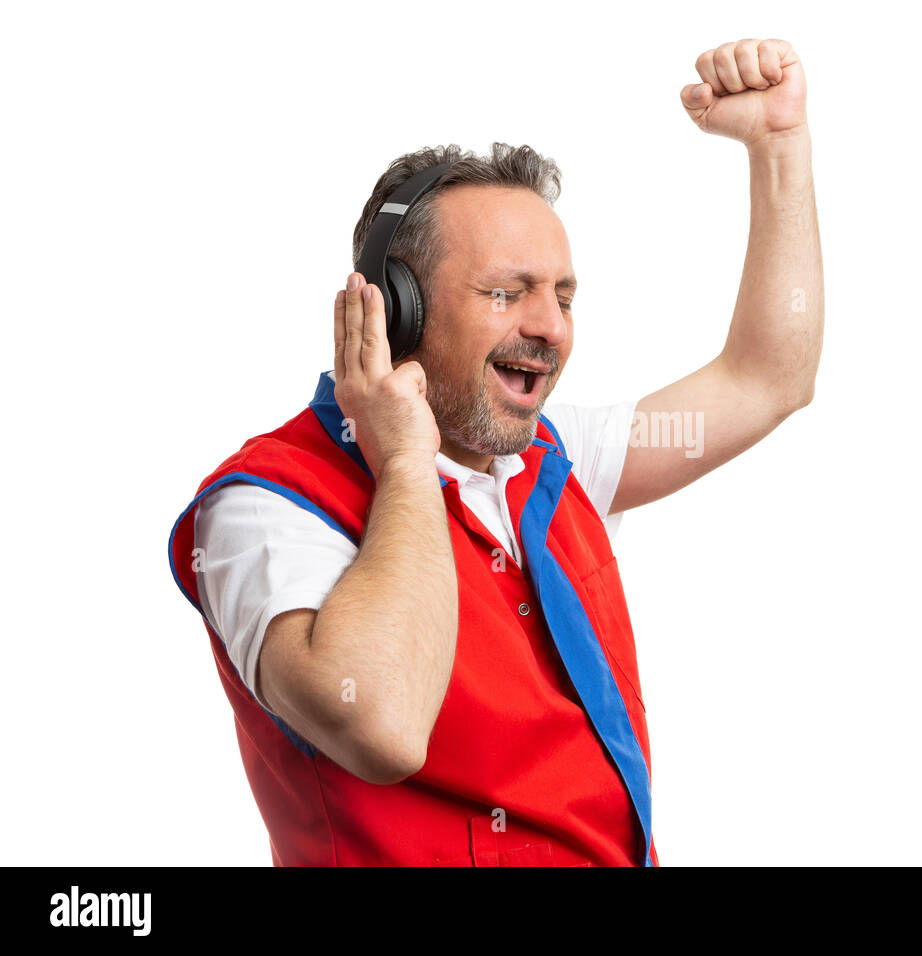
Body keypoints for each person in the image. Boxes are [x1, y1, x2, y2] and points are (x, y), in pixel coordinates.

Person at [167, 37, 823, 866]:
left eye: (564, 297)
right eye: (506, 293)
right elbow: (382, 726)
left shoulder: (555, 457)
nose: (550, 327)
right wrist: (405, 463)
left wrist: (779, 147)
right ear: (394, 310)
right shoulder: (265, 505)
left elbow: (769, 379)